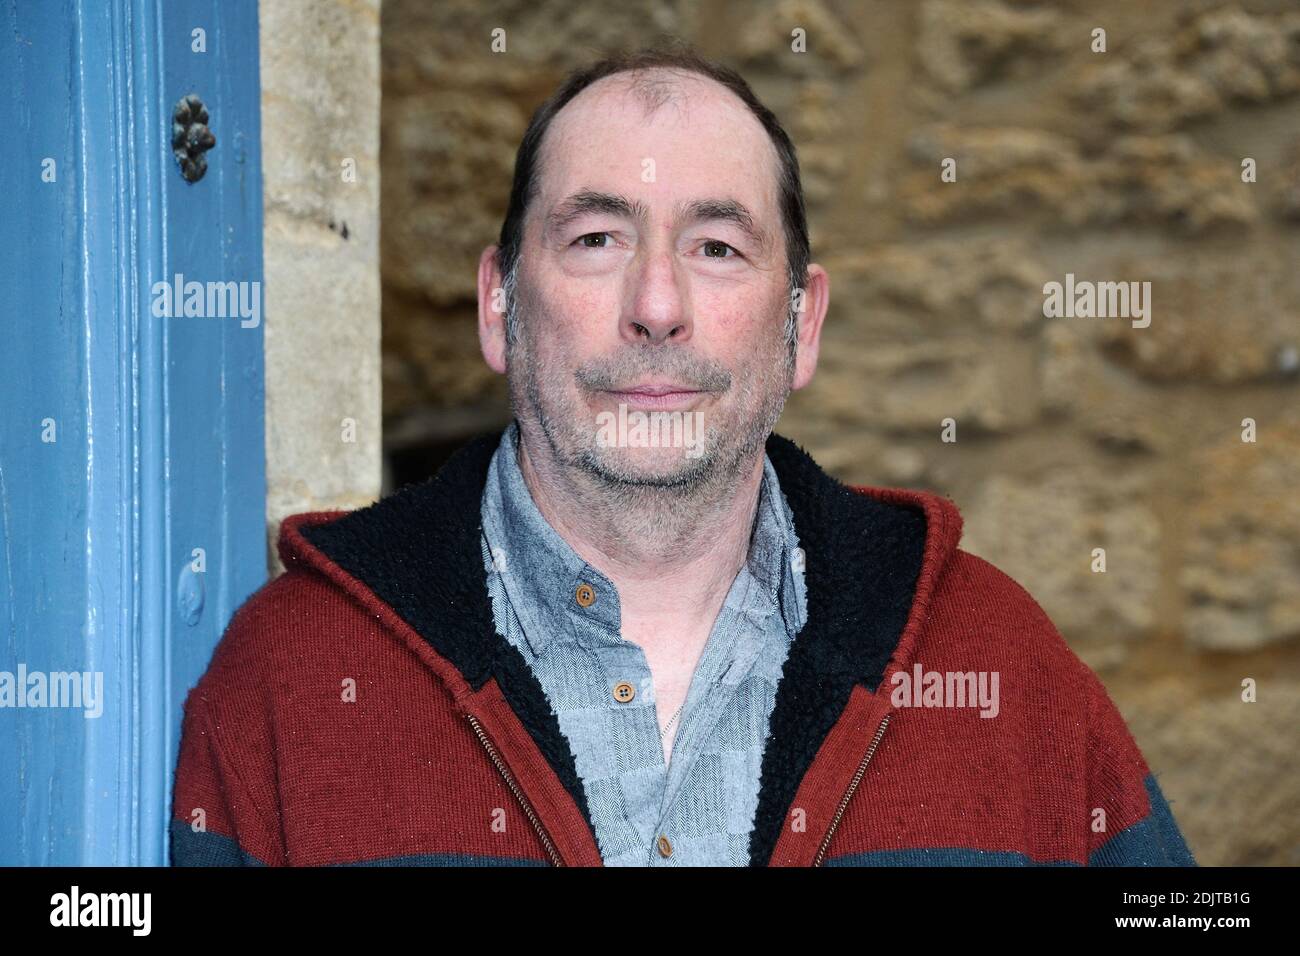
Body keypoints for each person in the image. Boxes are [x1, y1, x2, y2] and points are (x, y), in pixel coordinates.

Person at [170, 46, 1195, 867]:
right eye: (597, 239)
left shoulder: (1000, 665)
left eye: (716, 247)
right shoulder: (290, 678)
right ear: (498, 305)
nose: (655, 306)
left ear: (801, 323)